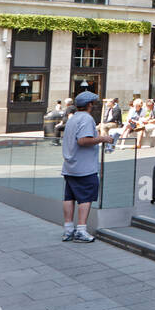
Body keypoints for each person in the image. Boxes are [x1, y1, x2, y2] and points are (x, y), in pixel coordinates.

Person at [61, 91, 114, 242]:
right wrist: (103, 138)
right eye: (93, 103)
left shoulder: (73, 118)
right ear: (89, 105)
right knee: (85, 197)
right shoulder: (86, 118)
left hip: (70, 165)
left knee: (69, 197)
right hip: (83, 167)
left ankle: (68, 229)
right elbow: (83, 140)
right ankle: (81, 229)